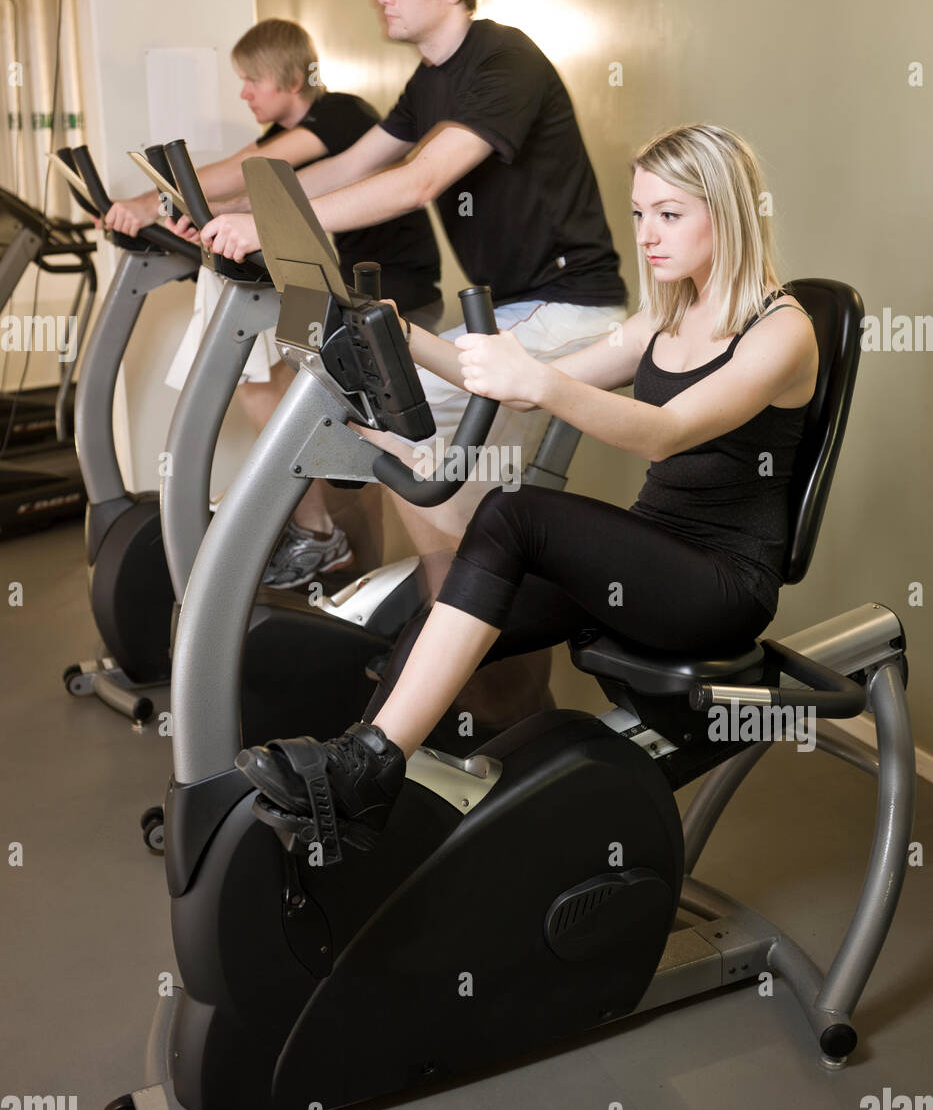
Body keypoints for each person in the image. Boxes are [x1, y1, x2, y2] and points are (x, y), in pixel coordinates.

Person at [235, 122, 820, 862]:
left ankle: (370, 767)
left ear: (728, 213)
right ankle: (351, 793)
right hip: (645, 565)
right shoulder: (667, 317)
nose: (646, 235)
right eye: (639, 214)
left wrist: (537, 379)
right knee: (436, 618)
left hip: (716, 585)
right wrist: (387, 326)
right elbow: (513, 388)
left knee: (513, 515)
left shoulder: (781, 329)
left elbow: (663, 432)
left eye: (669, 214)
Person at [199, 0, 629, 587]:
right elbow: (353, 166)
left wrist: (263, 227)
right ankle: (456, 609)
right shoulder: (429, 80)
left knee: (402, 419)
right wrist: (251, 212)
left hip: (569, 308)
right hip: (512, 314)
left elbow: (416, 181)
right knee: (403, 430)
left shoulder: (503, 59)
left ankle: (463, 609)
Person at [103, 18, 443, 584]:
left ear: (288, 78)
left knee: (332, 424)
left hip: (390, 299)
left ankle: (353, 560)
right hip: (341, 291)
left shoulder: (339, 115)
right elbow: (248, 178)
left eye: (251, 80)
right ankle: (329, 552)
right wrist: (195, 214)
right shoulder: (295, 129)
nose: (244, 93)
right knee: (295, 402)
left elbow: (249, 173)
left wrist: (148, 204)